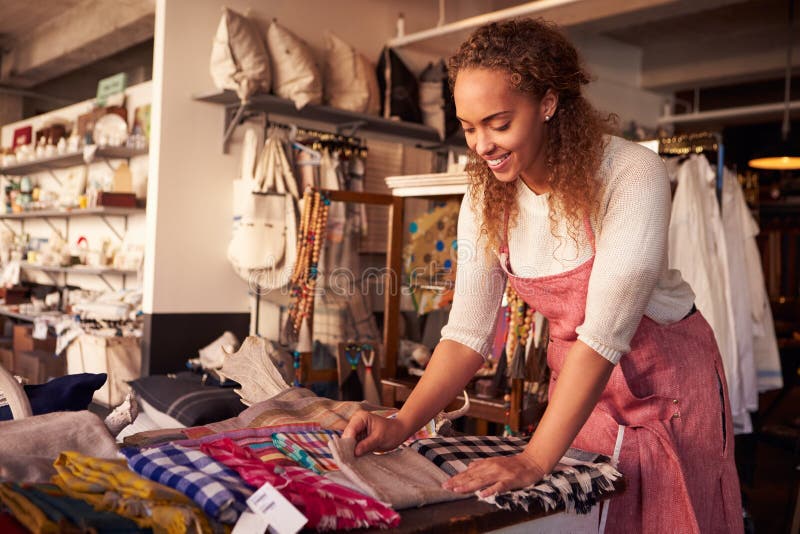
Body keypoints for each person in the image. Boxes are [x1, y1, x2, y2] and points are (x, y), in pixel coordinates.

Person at [343, 17, 742, 533]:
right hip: (584, 392)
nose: (482, 144)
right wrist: (399, 424)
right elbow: (466, 335)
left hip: (668, 389)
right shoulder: (485, 195)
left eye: (499, 123)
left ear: (548, 103)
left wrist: (534, 459)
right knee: (586, 518)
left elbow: (601, 338)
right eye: (468, 127)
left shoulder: (631, 175)